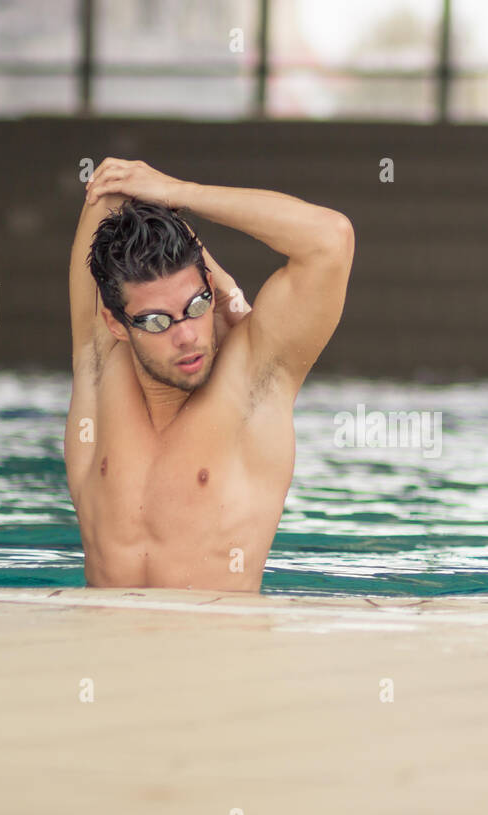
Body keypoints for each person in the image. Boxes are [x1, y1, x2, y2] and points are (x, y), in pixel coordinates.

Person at [64, 158, 354, 590]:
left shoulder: (253, 379)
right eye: (157, 321)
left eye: (196, 306)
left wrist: (178, 192)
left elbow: (331, 239)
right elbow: (110, 189)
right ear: (114, 323)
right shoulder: (100, 364)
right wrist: (212, 272)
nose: (185, 337)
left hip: (215, 649)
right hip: (103, 648)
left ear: (210, 291)